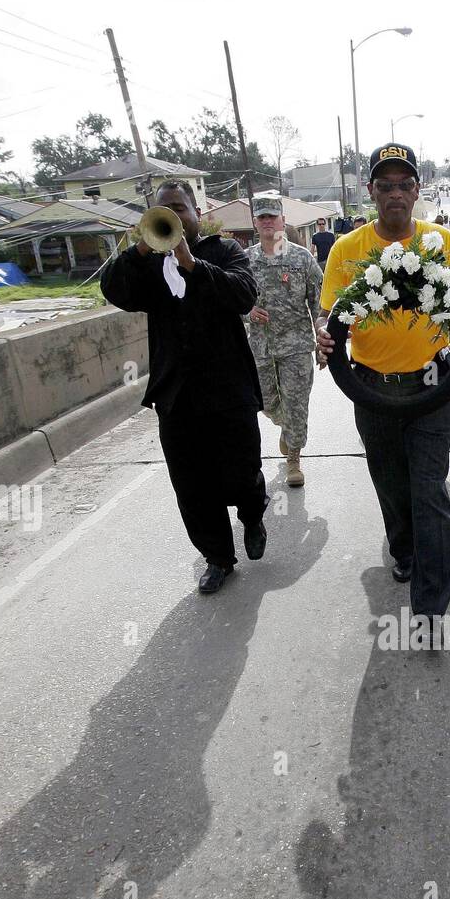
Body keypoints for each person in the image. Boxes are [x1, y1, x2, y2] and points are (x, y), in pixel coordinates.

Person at [316, 143, 450, 624]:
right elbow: (332, 315)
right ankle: (404, 547)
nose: (395, 193)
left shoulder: (439, 243)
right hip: (370, 388)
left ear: (417, 190)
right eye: (385, 184)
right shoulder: (347, 250)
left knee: (429, 488)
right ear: (371, 190)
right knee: (391, 484)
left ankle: (430, 608)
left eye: (405, 184)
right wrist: (324, 339)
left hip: (432, 387)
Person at [100, 180, 266, 595]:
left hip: (229, 390)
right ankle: (217, 558)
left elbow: (244, 295)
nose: (173, 216)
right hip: (177, 396)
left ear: (196, 213)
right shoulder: (147, 265)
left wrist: (191, 263)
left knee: (242, 472)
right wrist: (142, 248)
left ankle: (252, 512)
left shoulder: (224, 251)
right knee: (191, 485)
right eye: (164, 210)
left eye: (180, 208)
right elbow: (114, 289)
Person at [246, 195, 323, 489]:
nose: (267, 222)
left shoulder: (302, 258)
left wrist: (322, 340)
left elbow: (319, 303)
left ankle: (293, 458)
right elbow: (232, 299)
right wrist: (248, 311)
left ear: (282, 221)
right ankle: (286, 427)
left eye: (272, 217)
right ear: (255, 222)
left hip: (297, 346)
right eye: (262, 217)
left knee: (296, 403)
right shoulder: (245, 260)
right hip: (261, 347)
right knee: (264, 401)